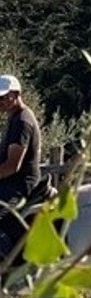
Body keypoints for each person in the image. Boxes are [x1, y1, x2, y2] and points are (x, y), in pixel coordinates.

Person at [0, 75, 42, 211]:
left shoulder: (22, 121)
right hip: (10, 184)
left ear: (16, 94)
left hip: (19, 185)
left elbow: (12, 166)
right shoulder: (14, 117)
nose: (1, 101)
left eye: (4, 97)